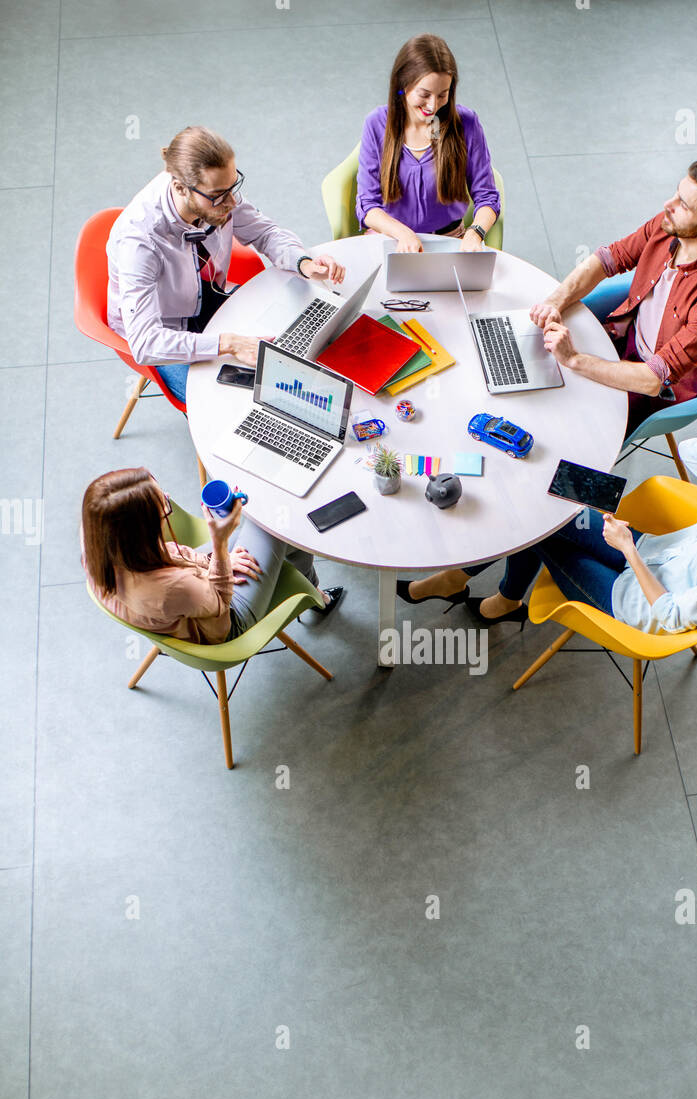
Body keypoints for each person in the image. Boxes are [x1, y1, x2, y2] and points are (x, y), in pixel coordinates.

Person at [396, 436, 697, 635]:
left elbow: (672, 616)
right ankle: (494, 596)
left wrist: (628, 551)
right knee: (550, 502)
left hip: (631, 599)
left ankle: (490, 593)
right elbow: (696, 450)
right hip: (646, 549)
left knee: (538, 529)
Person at [107, 125, 346, 404]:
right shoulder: (139, 242)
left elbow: (264, 232)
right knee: (229, 404)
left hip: (207, 294)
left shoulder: (214, 191)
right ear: (180, 188)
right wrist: (228, 343)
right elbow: (146, 342)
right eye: (220, 195)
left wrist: (303, 262)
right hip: (167, 329)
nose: (232, 202)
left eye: (234, 186)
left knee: (300, 337)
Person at [530, 158, 697, 434]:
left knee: (572, 428)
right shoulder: (672, 223)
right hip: (627, 338)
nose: (668, 205)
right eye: (676, 193)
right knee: (537, 381)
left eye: (684, 205)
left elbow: (652, 380)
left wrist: (574, 359)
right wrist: (555, 302)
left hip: (659, 389)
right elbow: (609, 258)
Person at [81, 469, 341, 644]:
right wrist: (220, 546)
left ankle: (313, 591)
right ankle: (315, 595)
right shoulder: (171, 588)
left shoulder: (97, 543)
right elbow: (219, 601)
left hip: (186, 597)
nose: (168, 498)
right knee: (273, 524)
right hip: (225, 620)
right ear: (142, 532)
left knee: (273, 533)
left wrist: (214, 561)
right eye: (164, 505)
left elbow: (176, 558)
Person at [356, 33, 500, 253]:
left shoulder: (467, 124)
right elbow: (367, 205)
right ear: (403, 85)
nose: (433, 106)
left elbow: (487, 196)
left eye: (442, 95)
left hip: (450, 238)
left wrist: (475, 232)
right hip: (391, 238)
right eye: (424, 94)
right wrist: (403, 234)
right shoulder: (375, 123)